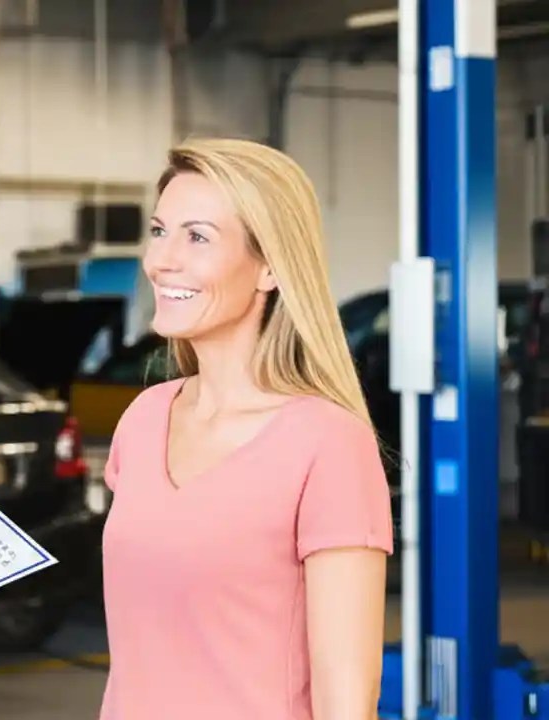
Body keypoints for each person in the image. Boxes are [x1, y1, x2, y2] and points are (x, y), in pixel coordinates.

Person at [97, 138, 393, 720]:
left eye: (198, 237)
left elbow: (347, 701)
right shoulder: (145, 418)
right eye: (160, 232)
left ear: (271, 267)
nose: (161, 261)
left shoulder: (329, 443)